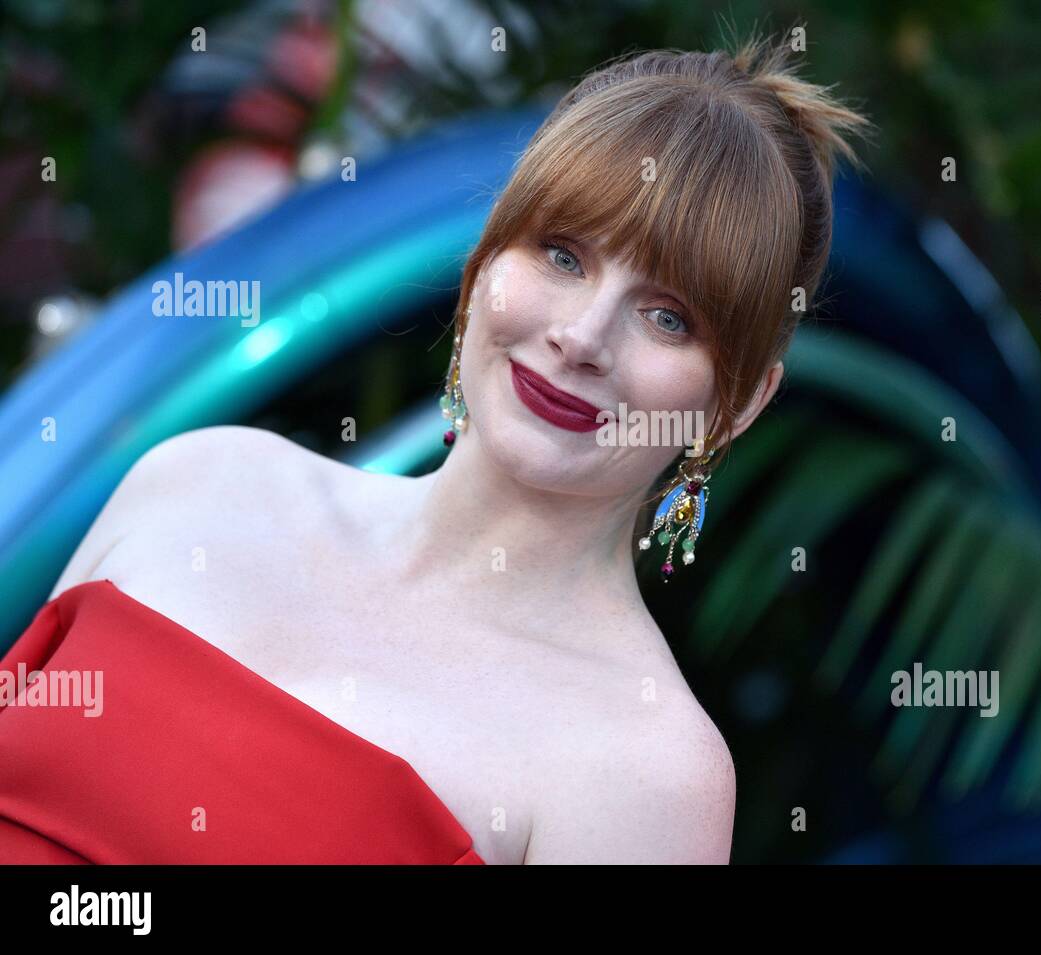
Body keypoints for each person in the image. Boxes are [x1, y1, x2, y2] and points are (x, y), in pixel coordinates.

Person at [0, 28, 870, 864]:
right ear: (485, 262)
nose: (581, 335)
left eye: (668, 316)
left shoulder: (649, 771)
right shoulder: (198, 480)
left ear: (739, 403)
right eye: (562, 256)